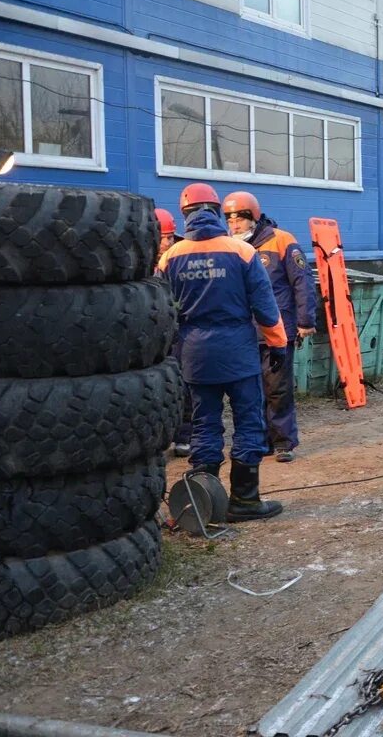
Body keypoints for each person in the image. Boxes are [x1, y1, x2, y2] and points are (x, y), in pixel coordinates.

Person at [159, 183, 287, 521]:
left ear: (184, 214)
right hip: (238, 353)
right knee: (248, 422)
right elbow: (265, 305)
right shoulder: (242, 252)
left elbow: (160, 312)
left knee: (204, 424)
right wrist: (278, 343)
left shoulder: (170, 257)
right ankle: (244, 502)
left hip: (194, 356)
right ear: (216, 211)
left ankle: (205, 502)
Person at [221, 192, 317, 463]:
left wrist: (305, 321)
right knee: (252, 390)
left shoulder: (282, 240)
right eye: (229, 219)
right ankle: (261, 440)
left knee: (278, 387)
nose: (234, 224)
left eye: (239, 218)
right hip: (244, 332)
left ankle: (284, 441)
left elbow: (302, 281)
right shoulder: (229, 246)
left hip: (278, 329)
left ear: (252, 217)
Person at [156, 207, 191, 459]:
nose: (167, 242)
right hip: (152, 335)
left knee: (184, 385)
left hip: (180, 333)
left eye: (170, 237)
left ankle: (184, 436)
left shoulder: (181, 257)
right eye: (162, 237)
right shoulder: (136, 262)